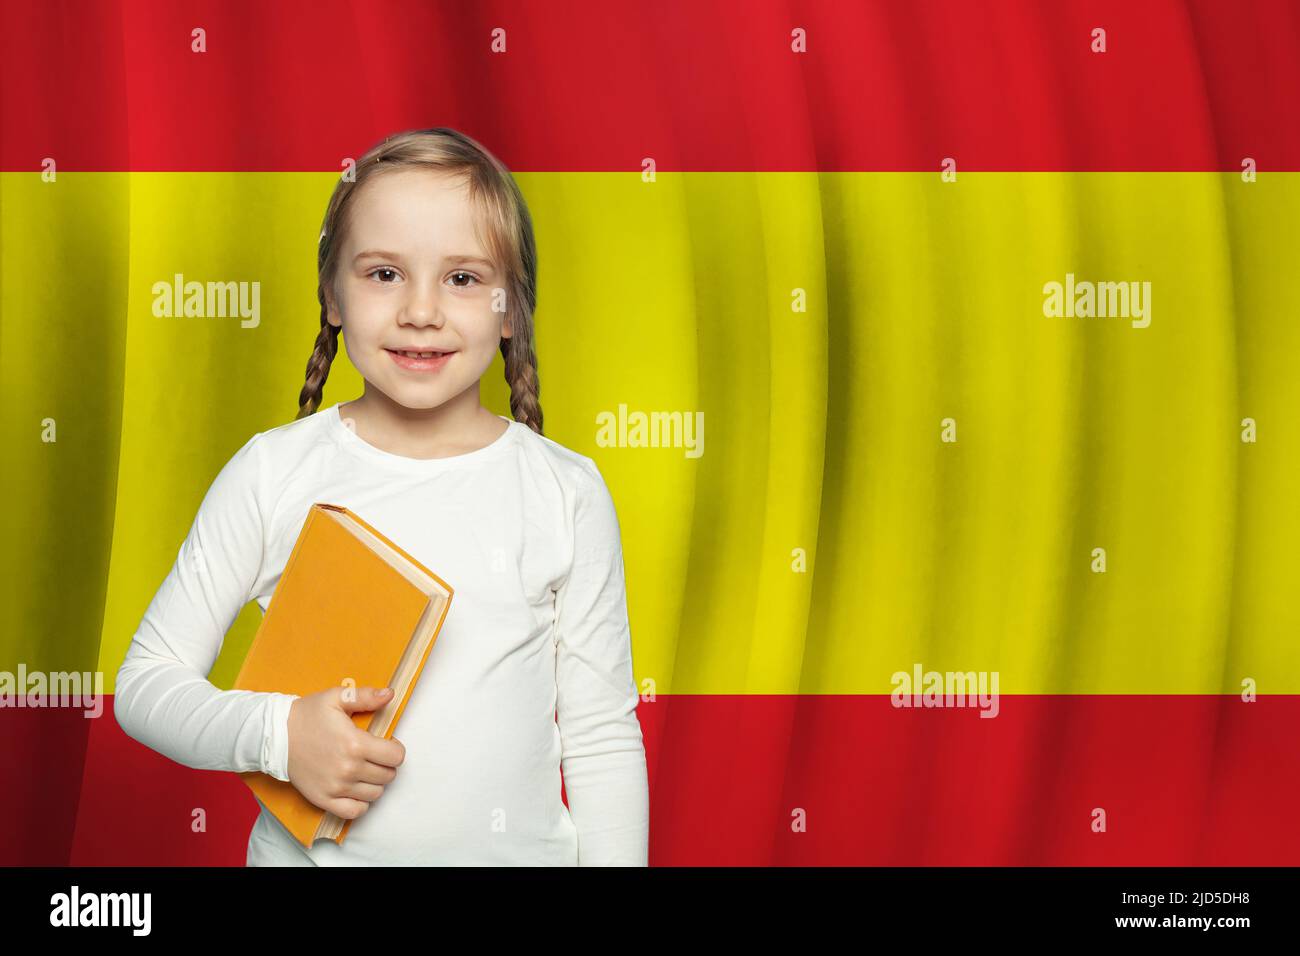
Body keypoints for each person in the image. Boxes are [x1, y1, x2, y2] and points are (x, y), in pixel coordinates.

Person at [113, 127, 649, 866]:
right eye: (384, 274)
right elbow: (146, 686)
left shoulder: (566, 492)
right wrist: (280, 737)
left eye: (462, 278)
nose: (421, 310)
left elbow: (600, 736)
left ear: (510, 310)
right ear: (333, 295)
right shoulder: (274, 474)